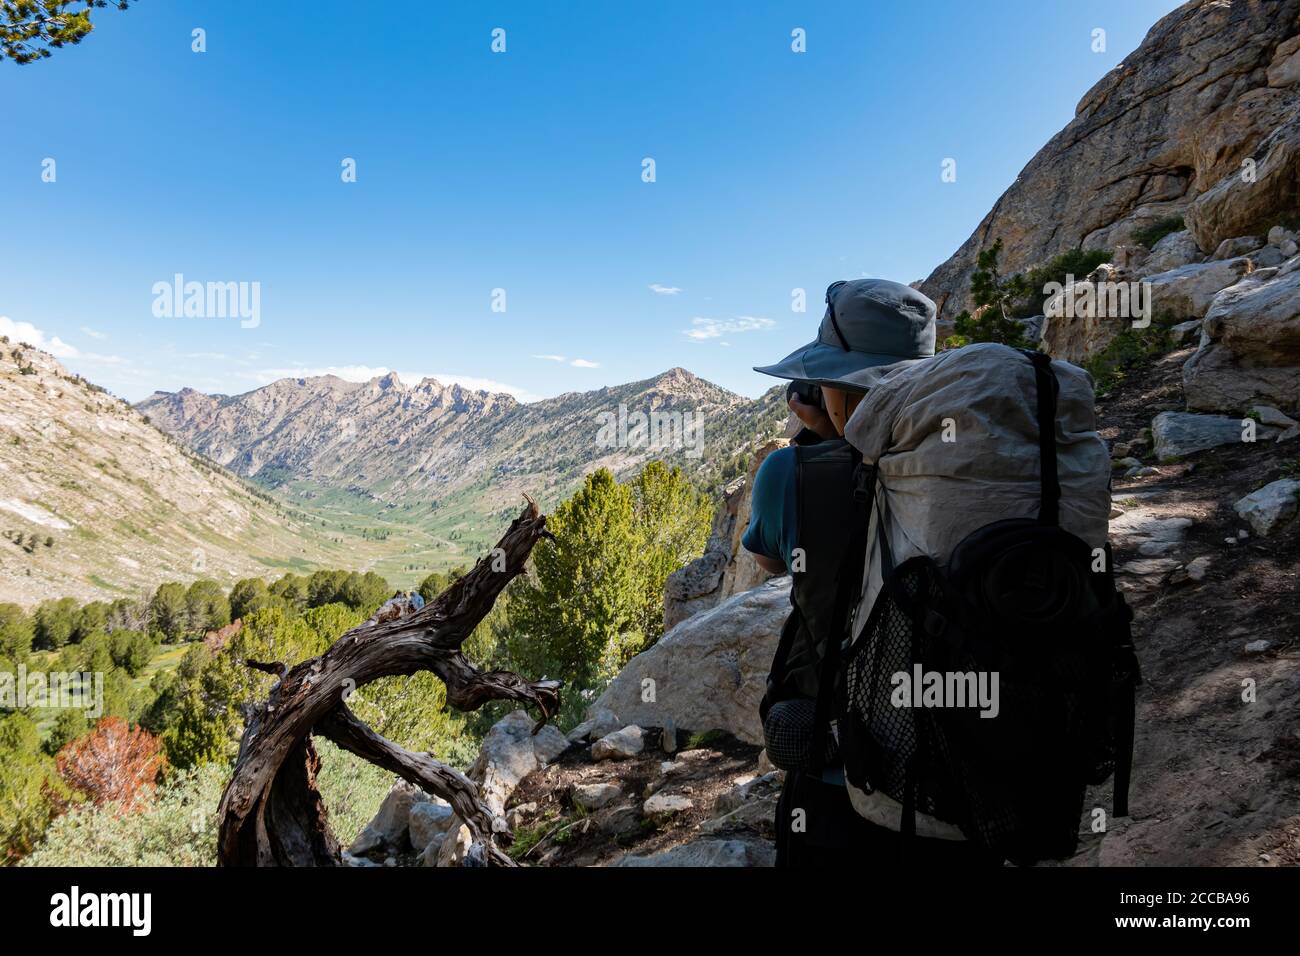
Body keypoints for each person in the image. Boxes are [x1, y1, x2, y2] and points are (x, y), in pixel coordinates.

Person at [744, 278, 989, 867]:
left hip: (844, 779)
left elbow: (773, 561)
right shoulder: (981, 463)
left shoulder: (790, 473)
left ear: (833, 384)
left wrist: (824, 443)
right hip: (977, 771)